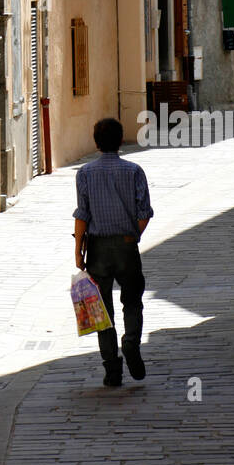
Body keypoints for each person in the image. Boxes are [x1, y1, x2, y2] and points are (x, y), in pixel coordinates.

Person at [73, 117, 153, 387]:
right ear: (120, 141)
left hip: (97, 249)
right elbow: (144, 213)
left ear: (96, 143)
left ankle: (112, 370)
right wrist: (134, 235)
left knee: (101, 310)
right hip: (126, 246)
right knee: (132, 301)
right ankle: (131, 342)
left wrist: (77, 251)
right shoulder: (134, 171)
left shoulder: (84, 173)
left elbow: (82, 215)